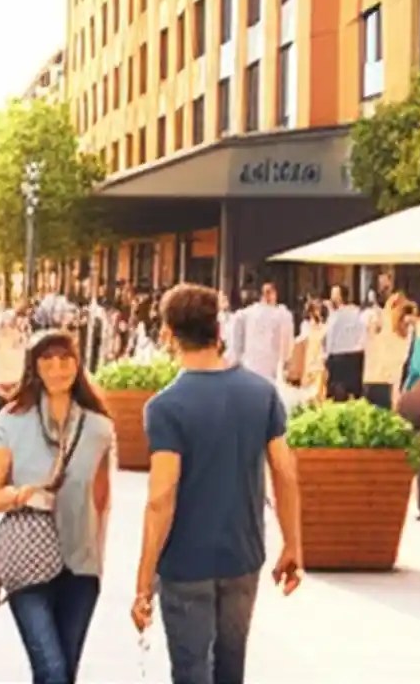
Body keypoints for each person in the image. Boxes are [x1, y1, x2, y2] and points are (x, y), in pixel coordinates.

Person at [132, 283, 303, 684]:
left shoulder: (165, 407)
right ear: (218, 330)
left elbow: (161, 497)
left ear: (168, 334)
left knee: (191, 671)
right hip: (243, 555)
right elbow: (285, 471)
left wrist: (143, 581)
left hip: (185, 562)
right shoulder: (261, 393)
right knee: (231, 668)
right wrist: (292, 544)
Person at [0, 330, 114, 683]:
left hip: (81, 565)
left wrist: (98, 559)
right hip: (29, 558)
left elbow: (103, 499)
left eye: (65, 359)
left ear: (78, 363)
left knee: (65, 671)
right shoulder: (11, 421)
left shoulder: (99, 427)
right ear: (34, 366)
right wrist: (21, 493)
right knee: (51, 670)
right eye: (47, 360)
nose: (57, 369)